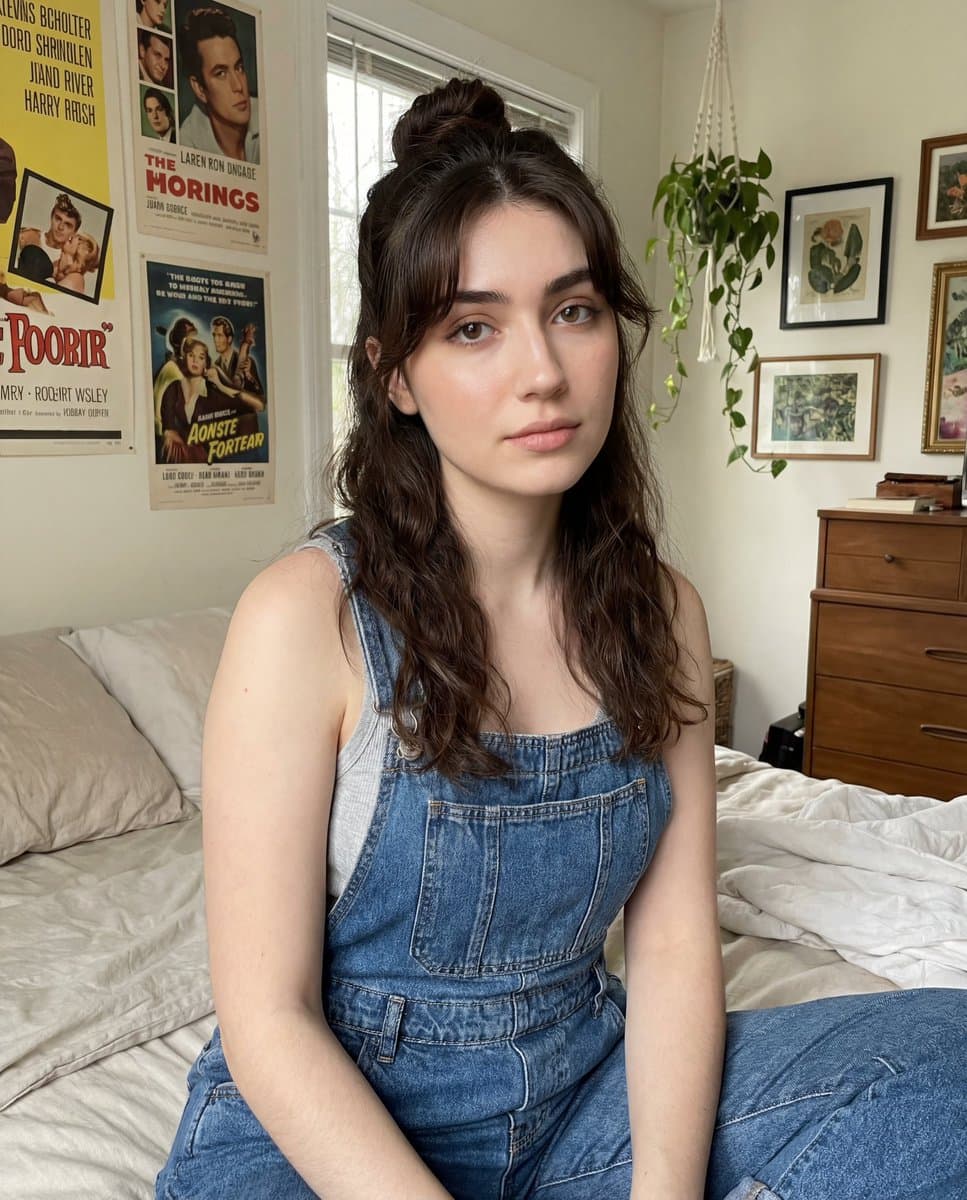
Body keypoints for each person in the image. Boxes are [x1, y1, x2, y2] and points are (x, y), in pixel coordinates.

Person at [155, 79, 967, 1200]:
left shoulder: (663, 613)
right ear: (394, 375)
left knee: (947, 1066)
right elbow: (268, 1020)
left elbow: (676, 950)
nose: (543, 370)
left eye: (573, 310)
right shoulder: (309, 616)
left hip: (580, 1093)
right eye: (474, 327)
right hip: (325, 1136)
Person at [158, 335, 264, 464]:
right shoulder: (173, 388)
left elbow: (259, 405)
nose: (195, 361)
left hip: (209, 460)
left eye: (201, 357)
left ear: (206, 364)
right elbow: (168, 429)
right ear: (184, 357)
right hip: (181, 457)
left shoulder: (212, 394)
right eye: (191, 355)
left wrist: (221, 386)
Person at [177, 6, 260, 163]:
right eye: (221, 73)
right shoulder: (186, 145)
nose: (238, 86)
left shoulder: (268, 119)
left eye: (239, 68)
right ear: (199, 89)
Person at [15, 191, 80, 283]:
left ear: (74, 233)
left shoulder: (69, 264)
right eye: (58, 219)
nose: (60, 227)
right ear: (51, 217)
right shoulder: (27, 237)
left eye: (68, 225)